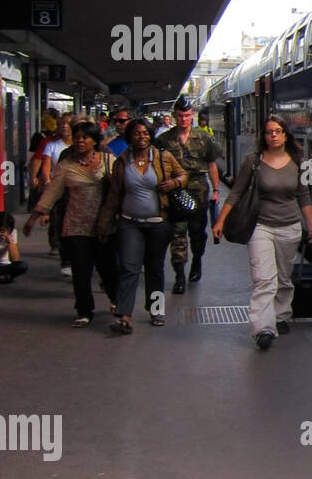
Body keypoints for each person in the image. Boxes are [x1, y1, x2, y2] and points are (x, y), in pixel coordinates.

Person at [211, 115, 312, 350]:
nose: (274, 135)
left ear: (285, 134)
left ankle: (280, 315)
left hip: (289, 227)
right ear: (263, 136)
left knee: (282, 278)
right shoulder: (253, 161)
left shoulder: (299, 161)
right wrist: (220, 221)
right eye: (269, 131)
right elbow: (236, 193)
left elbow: (304, 196)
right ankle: (263, 329)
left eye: (278, 131)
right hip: (260, 226)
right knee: (263, 279)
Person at [96, 118, 188, 333]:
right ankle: (124, 315)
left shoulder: (163, 157)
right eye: (137, 133)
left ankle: (156, 310)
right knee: (129, 268)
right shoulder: (121, 162)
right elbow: (114, 196)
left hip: (159, 224)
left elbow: (183, 175)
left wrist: (174, 183)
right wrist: (103, 223)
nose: (142, 137)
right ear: (129, 136)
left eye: (146, 133)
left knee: (155, 268)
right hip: (130, 223)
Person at [23, 121, 118, 326]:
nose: (80, 141)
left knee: (108, 268)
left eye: (85, 137)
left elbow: (121, 189)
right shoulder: (66, 166)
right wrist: (33, 218)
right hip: (75, 226)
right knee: (81, 271)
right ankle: (84, 311)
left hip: (103, 226)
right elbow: (51, 194)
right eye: (77, 138)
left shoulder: (109, 161)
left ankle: (115, 299)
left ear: (95, 141)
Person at [155, 96, 222, 292]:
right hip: (175, 192)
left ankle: (197, 260)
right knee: (177, 235)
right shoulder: (164, 140)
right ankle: (179, 276)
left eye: (187, 115)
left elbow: (212, 165)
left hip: (198, 190)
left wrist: (217, 190)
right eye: (180, 116)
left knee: (197, 233)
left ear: (191, 115)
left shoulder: (204, 138)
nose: (184, 119)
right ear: (174, 116)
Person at [34, 112, 76, 274]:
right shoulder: (52, 145)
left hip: (78, 192)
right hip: (59, 191)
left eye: (67, 123)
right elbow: (46, 168)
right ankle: (65, 257)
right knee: (60, 222)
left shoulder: (84, 144)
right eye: (61, 124)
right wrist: (48, 184)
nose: (64, 126)